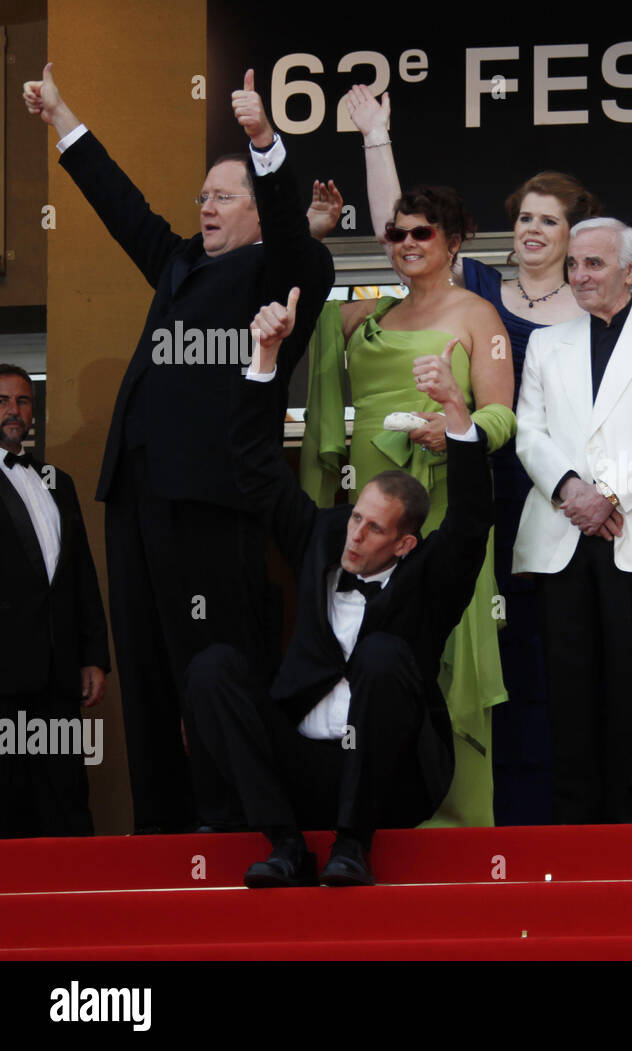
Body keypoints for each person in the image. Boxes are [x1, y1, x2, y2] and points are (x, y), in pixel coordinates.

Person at [23, 64, 334, 833]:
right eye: (202, 197)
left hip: (213, 498)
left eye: (223, 196)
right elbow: (121, 204)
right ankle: (162, 831)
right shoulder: (181, 262)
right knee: (147, 665)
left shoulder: (288, 267)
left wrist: (263, 139)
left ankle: (235, 823)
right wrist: (63, 116)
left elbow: (290, 229)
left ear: (260, 210)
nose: (206, 206)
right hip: (136, 496)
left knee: (214, 665)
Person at [321, 87, 602, 825]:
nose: (408, 242)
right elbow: (376, 241)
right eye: (525, 217)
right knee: (396, 647)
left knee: (491, 656)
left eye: (549, 220)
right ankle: (390, 812)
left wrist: (460, 432)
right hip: (419, 494)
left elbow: (518, 412)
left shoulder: (556, 306)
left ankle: (486, 820)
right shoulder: (423, 297)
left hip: (507, 497)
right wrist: (374, 138)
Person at [184, 289, 493, 887]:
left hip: (391, 777)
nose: (355, 535)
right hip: (300, 763)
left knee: (382, 654)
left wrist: (456, 409)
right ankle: (284, 844)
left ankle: (353, 846)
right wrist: (265, 356)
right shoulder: (322, 538)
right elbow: (256, 468)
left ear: (405, 544)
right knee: (211, 669)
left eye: (374, 529)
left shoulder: (431, 577)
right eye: (356, 518)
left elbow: (471, 520)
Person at [301, 183, 514, 831]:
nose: (407, 243)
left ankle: (456, 822)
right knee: (370, 655)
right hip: (371, 512)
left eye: (422, 232)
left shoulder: (479, 314)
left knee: (445, 653)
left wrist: (454, 428)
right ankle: (377, 817)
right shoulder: (360, 314)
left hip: (443, 502)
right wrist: (311, 235)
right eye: (396, 233)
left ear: (454, 241)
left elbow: (504, 417)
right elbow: (293, 297)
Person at [513, 218, 632, 823]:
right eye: (573, 264)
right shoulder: (546, 343)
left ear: (630, 270)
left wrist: (609, 497)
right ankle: (572, 831)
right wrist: (572, 491)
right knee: (568, 693)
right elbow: (528, 432)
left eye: (593, 263)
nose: (579, 275)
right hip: (561, 534)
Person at [0, 366, 109, 837]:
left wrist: (93, 656)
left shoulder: (56, 481)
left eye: (23, 401)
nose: (13, 410)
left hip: (59, 676)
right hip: (3, 679)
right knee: (8, 804)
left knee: (66, 802)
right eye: (2, 400)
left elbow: (81, 573)